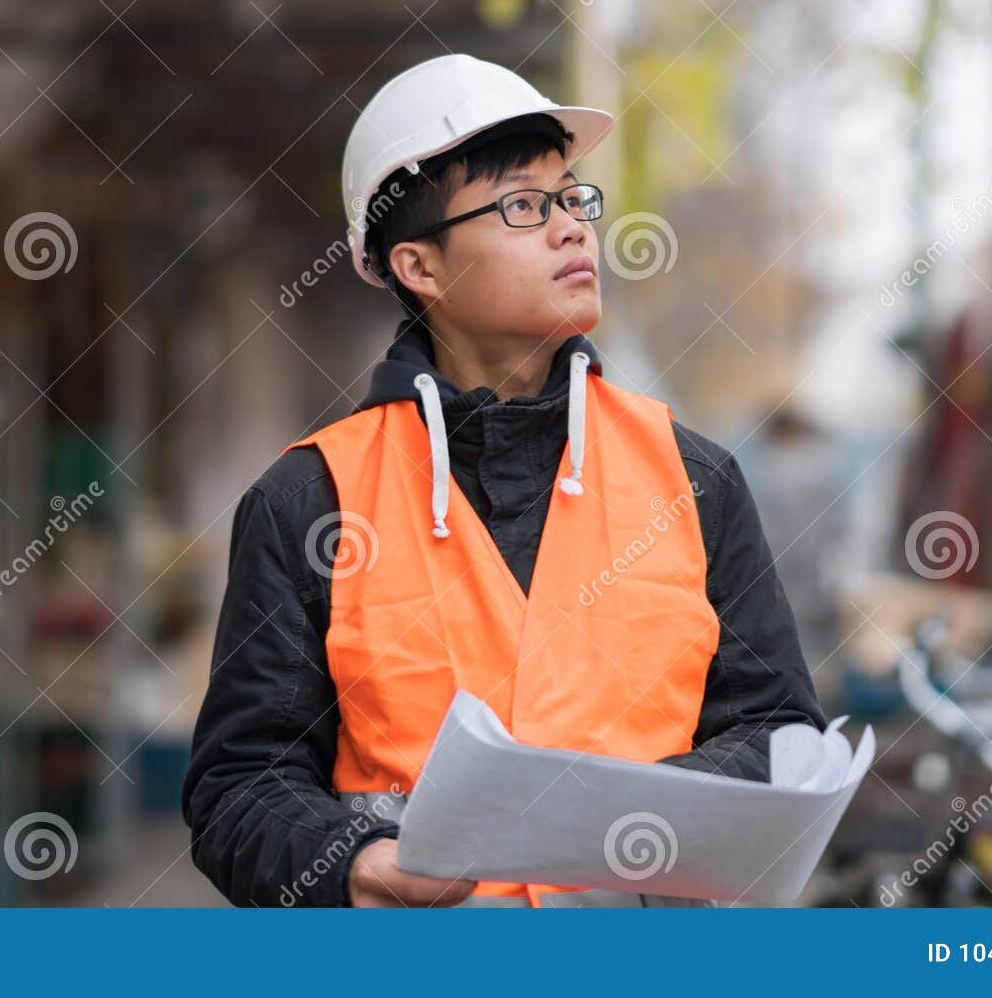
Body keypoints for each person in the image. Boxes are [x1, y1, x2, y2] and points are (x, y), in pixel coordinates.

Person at [182, 53, 824, 907]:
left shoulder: (693, 479)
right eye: (523, 206)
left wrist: (656, 820)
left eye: (570, 199)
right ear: (421, 267)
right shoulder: (312, 499)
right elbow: (240, 786)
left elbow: (777, 728)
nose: (570, 228)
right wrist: (360, 860)